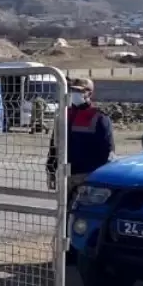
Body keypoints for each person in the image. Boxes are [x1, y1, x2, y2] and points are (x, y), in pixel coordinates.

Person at [46, 77, 114, 205]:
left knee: (83, 214)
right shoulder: (63, 115)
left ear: (89, 93)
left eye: (79, 91)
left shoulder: (99, 117)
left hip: (87, 175)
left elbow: (108, 150)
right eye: (72, 90)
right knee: (64, 212)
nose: (74, 93)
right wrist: (51, 169)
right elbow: (54, 144)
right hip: (65, 174)